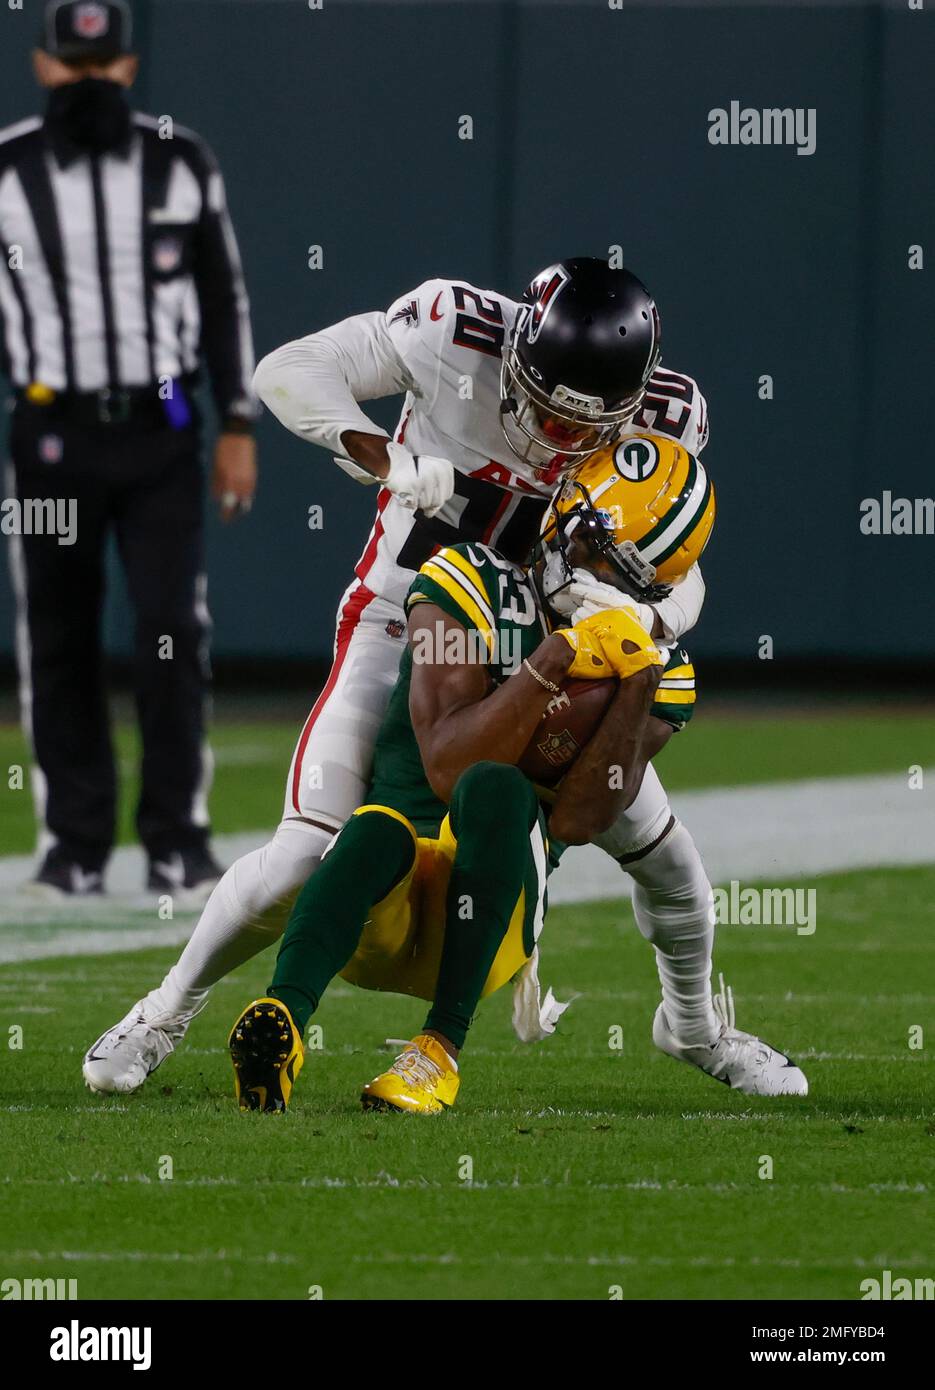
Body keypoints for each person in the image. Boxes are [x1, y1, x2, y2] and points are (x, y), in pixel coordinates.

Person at [82, 257, 725, 1093]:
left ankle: (695, 1028)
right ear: (520, 351)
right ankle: (167, 1008)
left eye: (583, 426)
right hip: (410, 621)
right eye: (540, 406)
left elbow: (683, 569)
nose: (556, 439)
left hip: (551, 646)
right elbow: (289, 369)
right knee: (303, 852)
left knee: (668, 859)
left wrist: (639, 623)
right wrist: (378, 452)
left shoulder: (670, 418)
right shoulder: (453, 332)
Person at [229, 442, 806, 1115]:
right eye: (583, 534)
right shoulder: (463, 578)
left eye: (604, 559)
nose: (578, 558)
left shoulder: (658, 668)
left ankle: (437, 1054)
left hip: (490, 918)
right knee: (374, 831)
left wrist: (636, 678)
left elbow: (577, 819)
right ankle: (282, 1024)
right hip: (375, 905)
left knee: (504, 796)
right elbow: (446, 765)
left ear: (645, 585)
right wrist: (555, 658)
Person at [1, 0, 258, 899]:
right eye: (73, 68)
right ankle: (73, 846)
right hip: (48, 435)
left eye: (102, 67)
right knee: (57, 641)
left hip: (161, 432)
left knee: (168, 631)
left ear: (129, 68)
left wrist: (236, 421)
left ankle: (176, 840)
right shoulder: (6, 170)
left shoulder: (180, 161)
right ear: (43, 68)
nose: (88, 84)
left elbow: (223, 297)